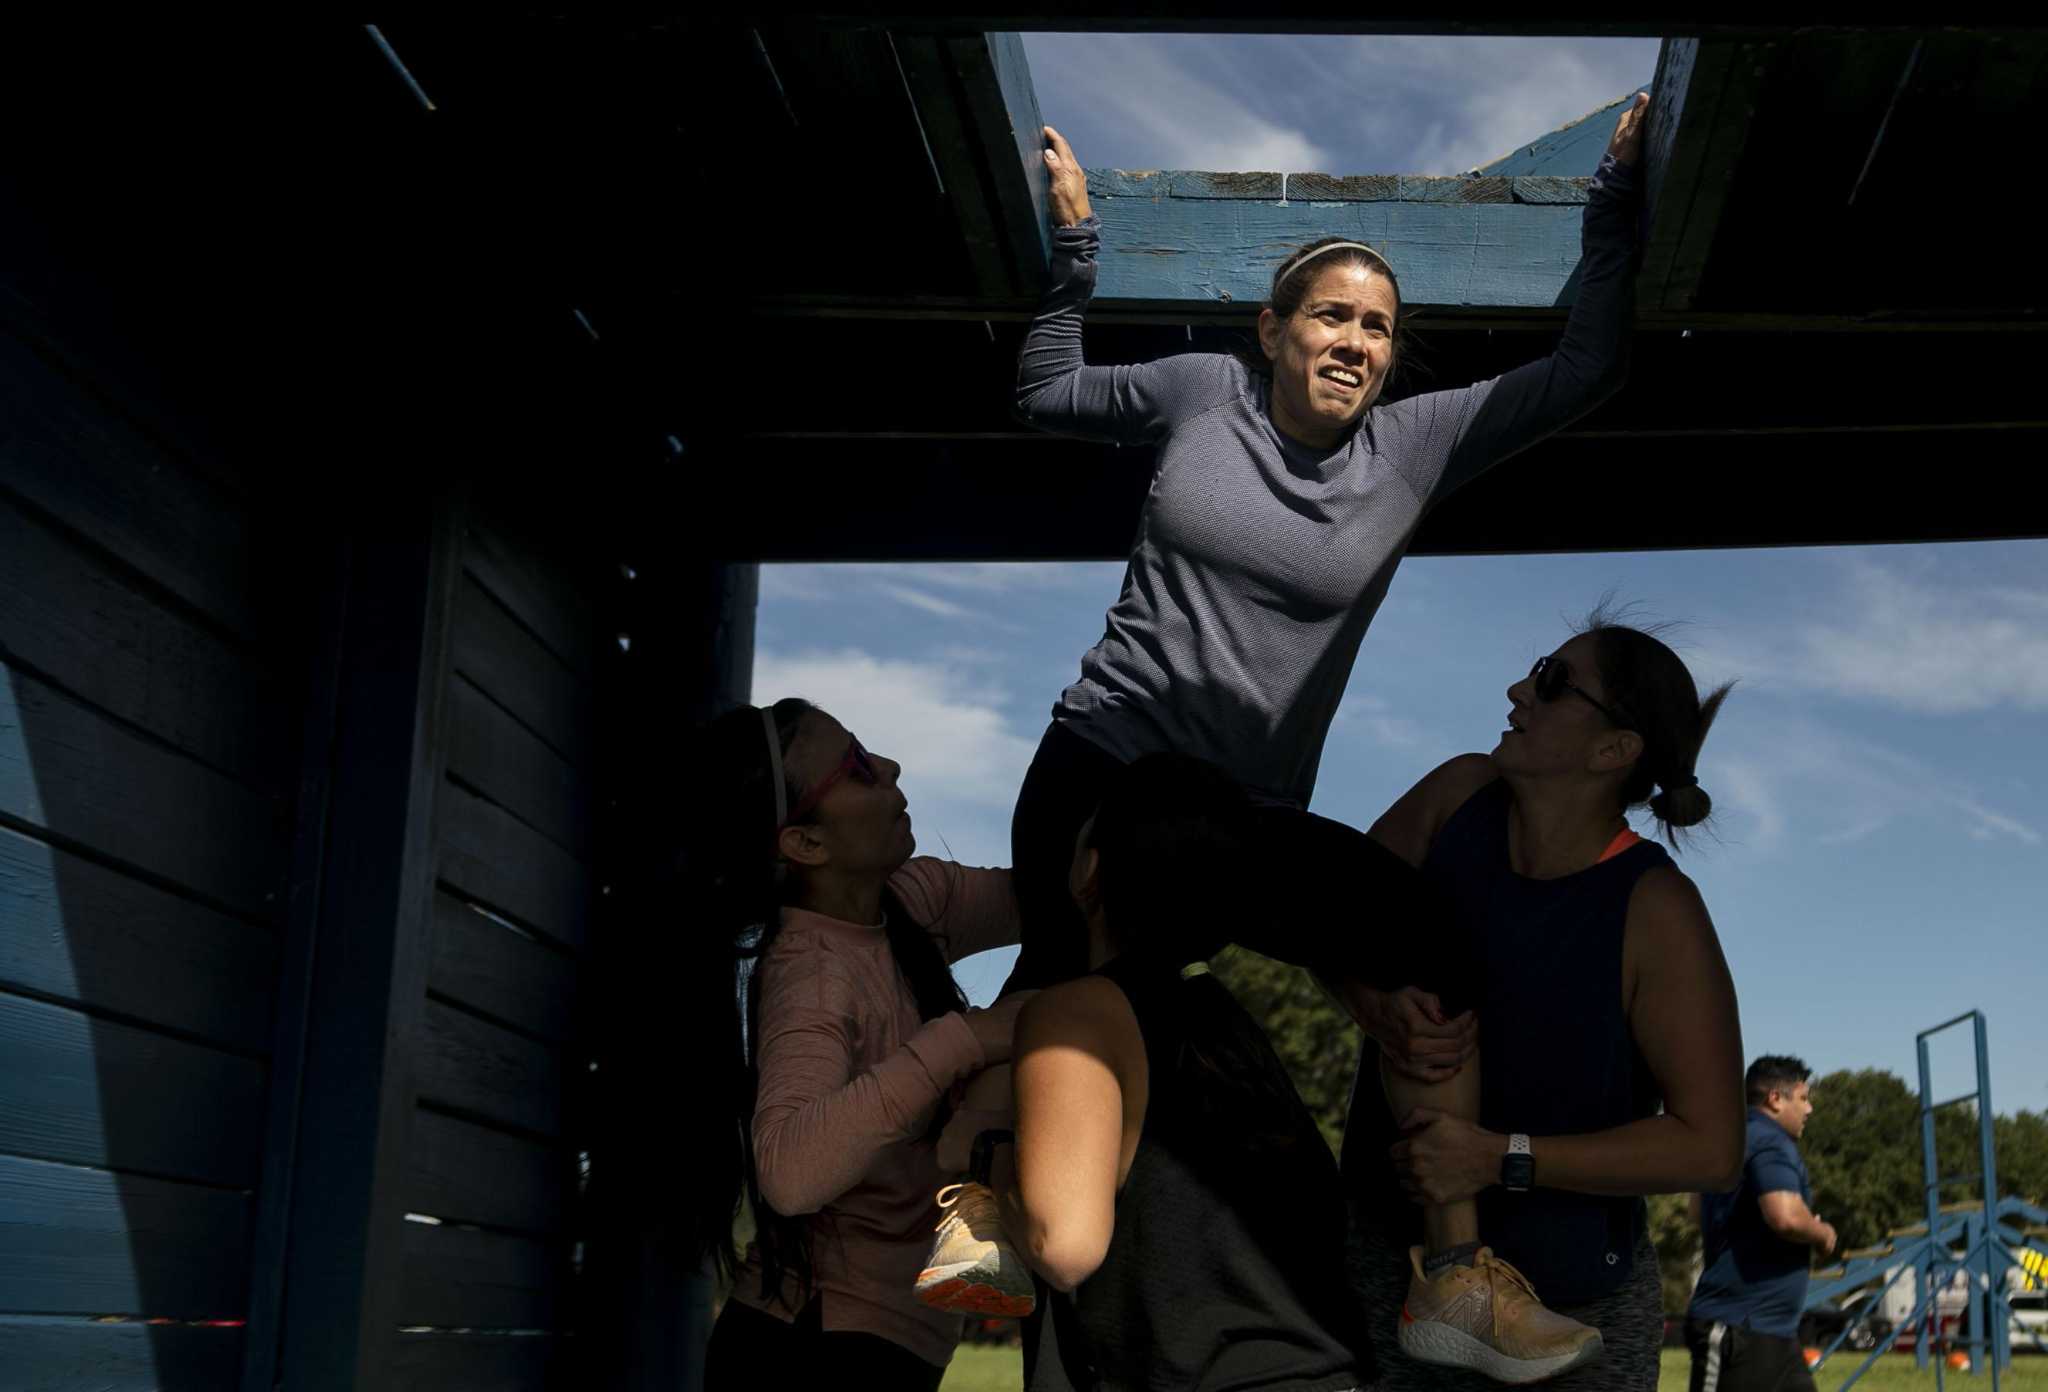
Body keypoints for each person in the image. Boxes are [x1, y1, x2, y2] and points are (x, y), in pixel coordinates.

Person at [928, 91, 1658, 1359]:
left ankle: (1447, 1279)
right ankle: (979, 1206)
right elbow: (1043, 393)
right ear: (1271, 330)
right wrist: (1076, 257)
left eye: (1377, 327)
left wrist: (1606, 206)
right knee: (1066, 975)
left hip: (1239, 817)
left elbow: (1584, 370)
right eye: (1330, 315)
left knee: (1424, 952)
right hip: (1102, 762)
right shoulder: (1200, 394)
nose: (1356, 342)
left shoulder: (1414, 448)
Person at [1340, 610, 1747, 1389]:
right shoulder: (1457, 795)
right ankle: (1451, 1278)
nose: (1518, 691)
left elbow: (1711, 1146)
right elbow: (1330, 919)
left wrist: (1501, 1159)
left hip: (1572, 1311)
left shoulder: (1659, 911)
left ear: (1613, 749)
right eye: (1536, 668)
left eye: (1554, 684)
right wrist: (1370, 1003)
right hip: (1387, 1277)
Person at [996, 752, 1374, 1392]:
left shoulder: (1077, 1012)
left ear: (1090, 870)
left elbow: (1064, 1242)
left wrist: (993, 1162)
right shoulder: (1225, 1027)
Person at [694, 699, 1033, 1391]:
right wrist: (967, 1039)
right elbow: (790, 1175)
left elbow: (1071, 905)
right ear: (807, 845)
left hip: (872, 1344)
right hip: (814, 1351)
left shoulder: (913, 902)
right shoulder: (813, 977)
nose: (890, 767)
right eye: (856, 768)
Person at [1684, 1057, 1836, 1392]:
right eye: (1803, 1098)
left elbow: (1695, 1211)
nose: (1809, 1109)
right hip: (1739, 1329)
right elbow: (1784, 1215)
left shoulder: (1731, 1139)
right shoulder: (1770, 1141)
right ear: (1775, 1099)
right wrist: (1824, 1233)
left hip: (1775, 1334)